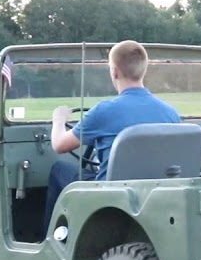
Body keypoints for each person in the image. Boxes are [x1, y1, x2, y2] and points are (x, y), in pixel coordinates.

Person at [42, 40, 180, 236]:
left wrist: (59, 120)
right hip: (155, 195)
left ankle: (51, 240)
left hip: (110, 195)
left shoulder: (104, 111)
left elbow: (59, 145)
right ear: (143, 70)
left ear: (114, 72)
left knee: (59, 169)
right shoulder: (171, 114)